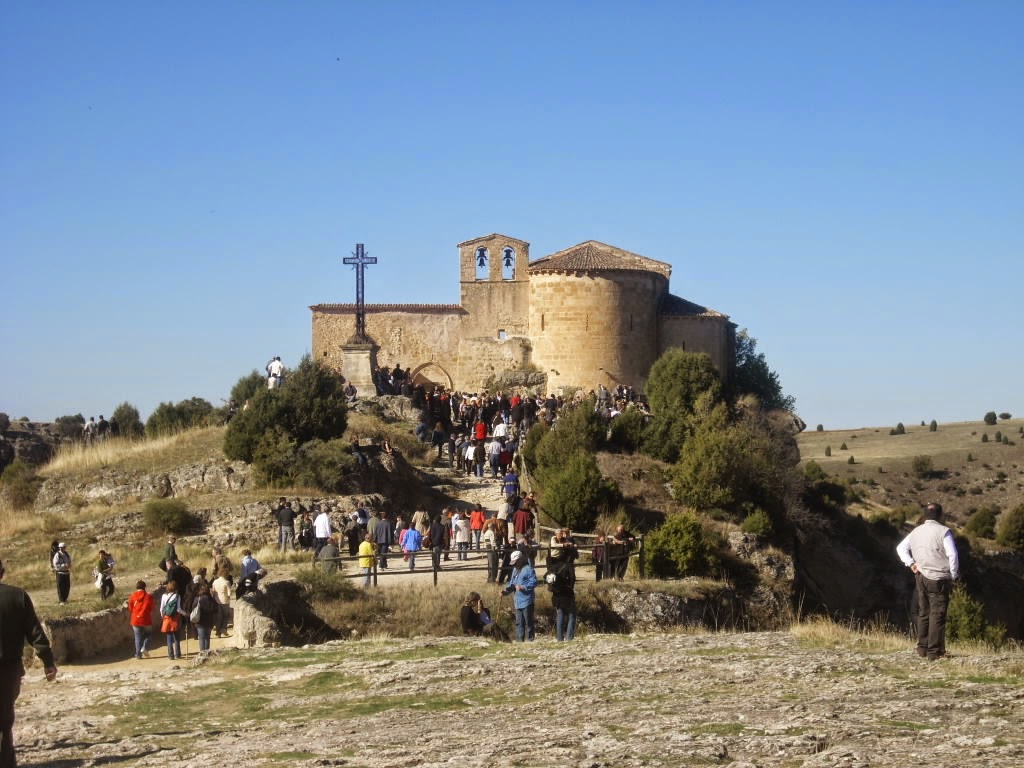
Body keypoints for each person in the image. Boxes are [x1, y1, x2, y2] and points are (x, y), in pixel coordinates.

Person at [1, 559, 58, 768]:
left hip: (9, 666)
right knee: (4, 720)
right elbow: (35, 632)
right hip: (8, 668)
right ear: (2, 573)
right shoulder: (17, 596)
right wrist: (48, 661)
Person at [896, 502, 960, 660]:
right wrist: (954, 575)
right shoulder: (944, 531)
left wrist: (911, 563)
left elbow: (900, 548)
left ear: (925, 515)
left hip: (921, 576)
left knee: (924, 613)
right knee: (937, 615)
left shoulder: (916, 531)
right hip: (939, 578)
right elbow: (952, 555)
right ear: (940, 515)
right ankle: (935, 652)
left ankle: (922, 648)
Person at [501, 550, 537, 642]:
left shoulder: (529, 569)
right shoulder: (515, 570)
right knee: (519, 623)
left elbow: (534, 582)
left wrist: (523, 587)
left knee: (528, 622)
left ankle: (530, 640)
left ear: (520, 560)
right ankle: (519, 641)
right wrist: (505, 591)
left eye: (515, 562)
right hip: (517, 601)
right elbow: (512, 584)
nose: (514, 564)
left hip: (527, 600)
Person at [546, 537, 578, 641]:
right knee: (572, 615)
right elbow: (573, 579)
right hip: (567, 594)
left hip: (556, 594)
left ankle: (559, 638)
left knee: (560, 615)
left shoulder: (554, 565)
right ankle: (569, 637)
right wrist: (570, 588)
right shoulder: (569, 566)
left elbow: (546, 576)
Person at [127, 580, 155, 659]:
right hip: (146, 619)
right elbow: (152, 607)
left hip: (135, 619)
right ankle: (144, 647)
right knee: (148, 634)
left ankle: (138, 655)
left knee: (137, 637)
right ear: (144, 587)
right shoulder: (148, 596)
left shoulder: (132, 596)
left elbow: (130, 607)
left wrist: (135, 613)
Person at [160, 581, 184, 660]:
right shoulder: (177, 596)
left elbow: (162, 608)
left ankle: (171, 655)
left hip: (167, 619)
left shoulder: (164, 596)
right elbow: (178, 609)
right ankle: (178, 654)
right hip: (175, 618)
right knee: (176, 637)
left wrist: (163, 616)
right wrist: (185, 614)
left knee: (169, 637)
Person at [193, 584, 219, 654]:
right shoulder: (211, 600)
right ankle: (207, 653)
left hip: (200, 622)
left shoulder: (197, 599)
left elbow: (193, 608)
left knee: (201, 638)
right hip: (209, 621)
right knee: (207, 638)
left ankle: (202, 653)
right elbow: (216, 609)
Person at [211, 572, 232, 638]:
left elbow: (213, 592)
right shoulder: (227, 582)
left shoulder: (215, 582)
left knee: (218, 618)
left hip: (217, 601)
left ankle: (218, 632)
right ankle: (223, 629)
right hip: (225, 601)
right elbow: (229, 594)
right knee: (225, 616)